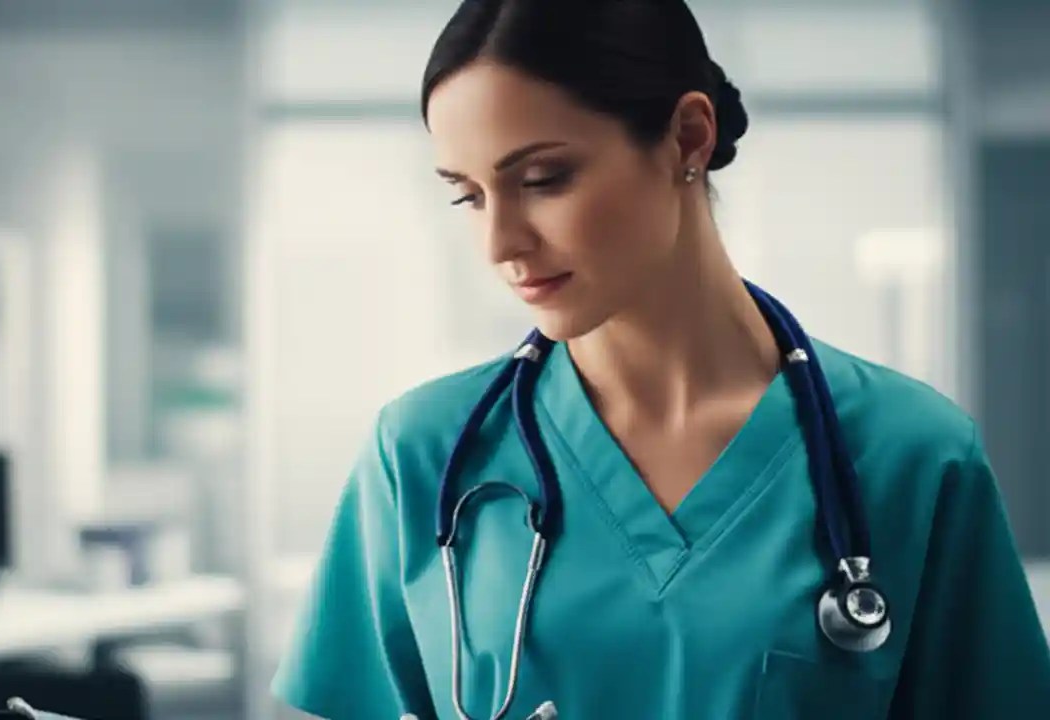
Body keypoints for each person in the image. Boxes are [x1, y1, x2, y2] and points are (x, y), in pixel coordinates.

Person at [270, 0, 1050, 718]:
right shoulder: (424, 454)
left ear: (687, 138)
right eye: (468, 195)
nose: (499, 243)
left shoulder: (910, 455)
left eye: (543, 179)